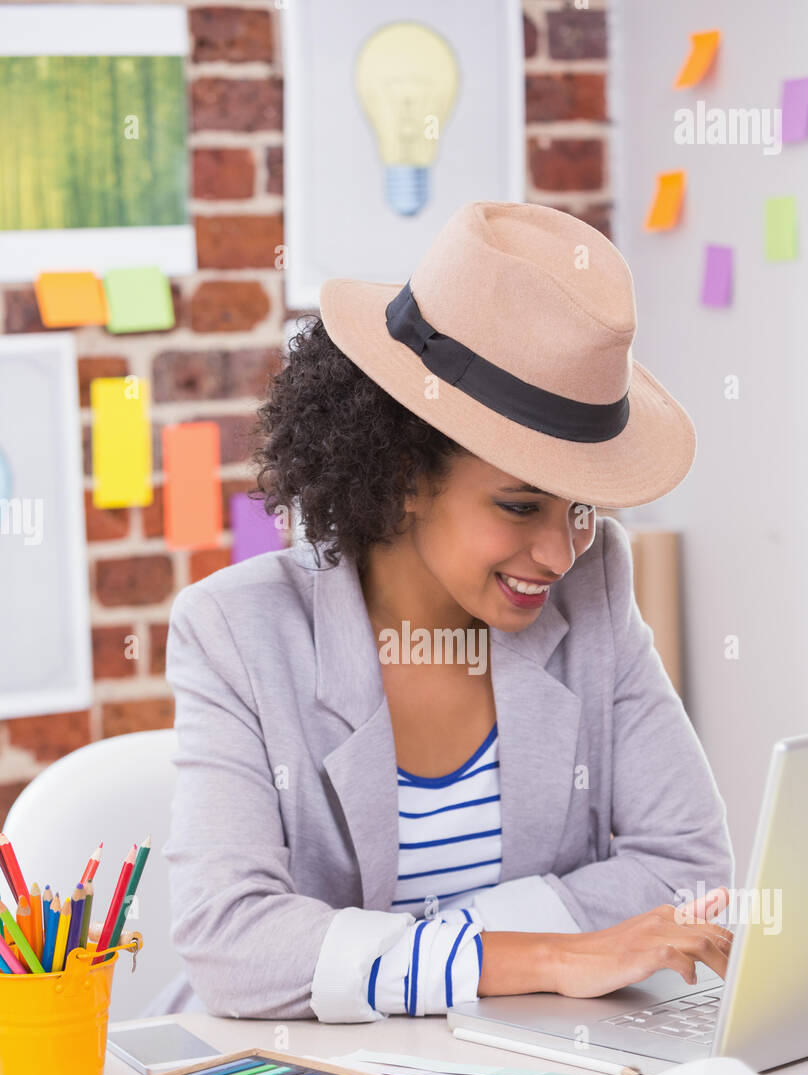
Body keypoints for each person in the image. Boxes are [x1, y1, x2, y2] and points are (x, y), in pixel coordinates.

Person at [151, 201, 734, 1022]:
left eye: (582, 510)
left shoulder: (594, 584)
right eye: (522, 506)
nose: (562, 554)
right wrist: (545, 957)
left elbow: (690, 872)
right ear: (405, 473)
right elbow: (233, 943)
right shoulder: (237, 632)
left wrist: (389, 953)